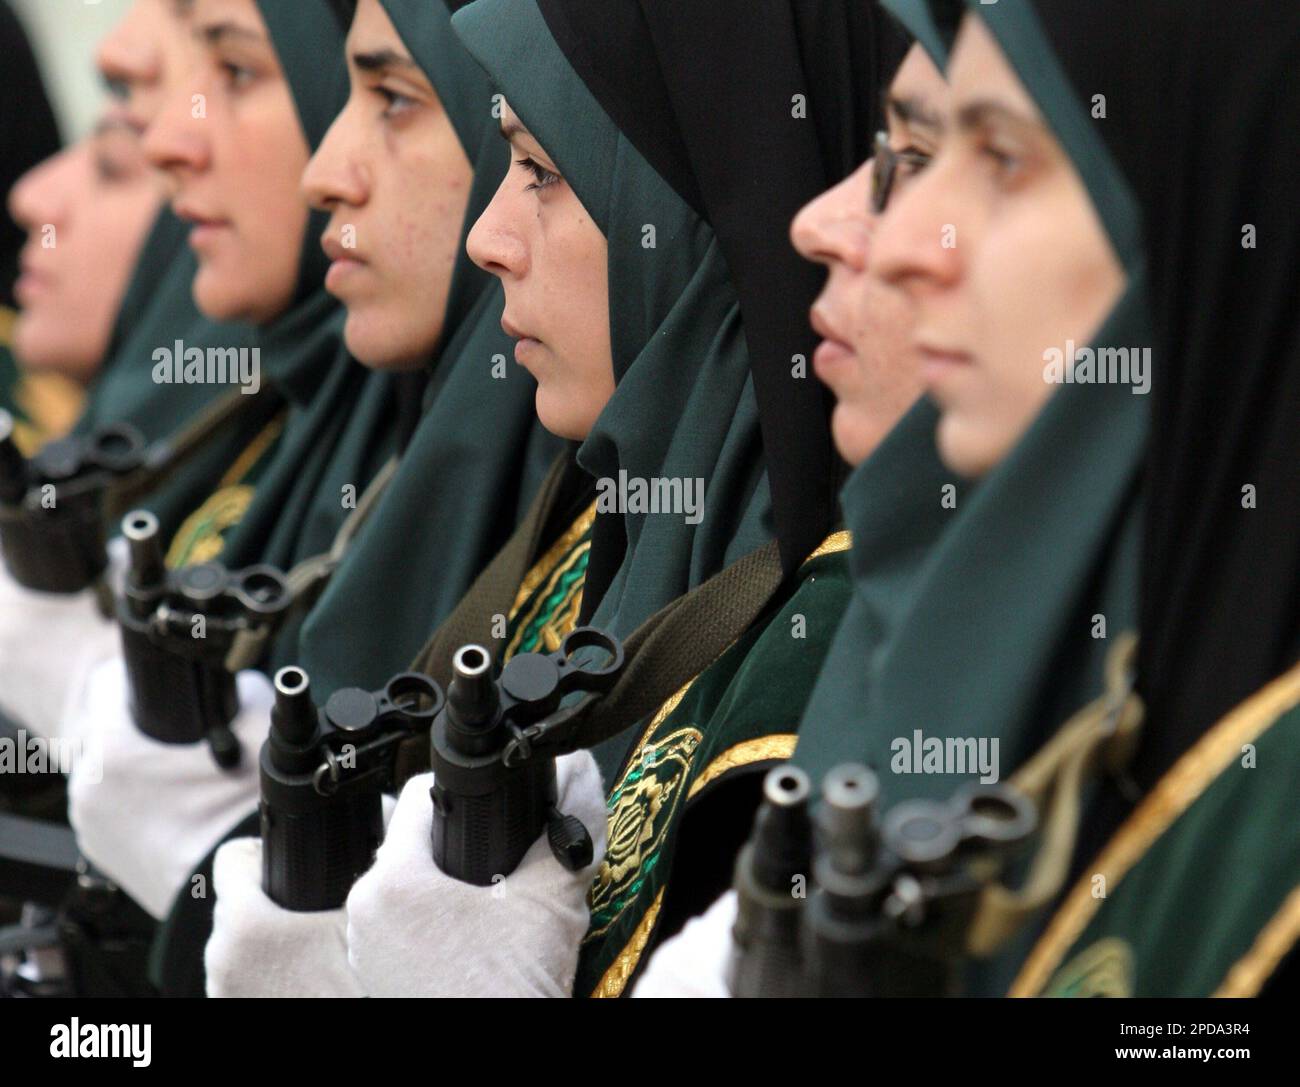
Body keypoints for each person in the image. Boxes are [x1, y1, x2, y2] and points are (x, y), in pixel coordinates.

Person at [203, 0, 908, 999]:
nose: (486, 238)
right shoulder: (604, 528)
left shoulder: (821, 662)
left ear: (698, 214)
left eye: (540, 170)